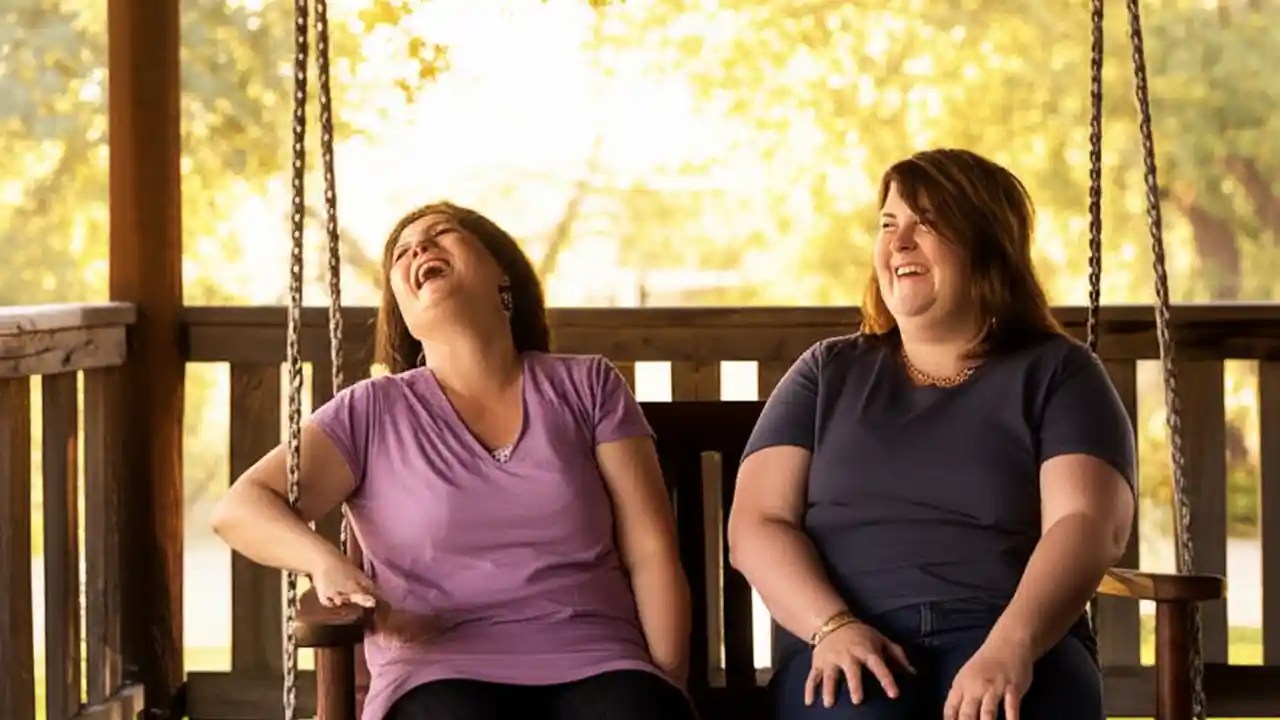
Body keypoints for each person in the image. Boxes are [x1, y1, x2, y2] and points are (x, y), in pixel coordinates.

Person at [211, 202, 696, 720]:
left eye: (441, 233)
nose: (419, 248)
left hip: (597, 659)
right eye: (402, 253)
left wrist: (668, 682)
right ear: (401, 309)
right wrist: (322, 561)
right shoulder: (371, 411)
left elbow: (651, 548)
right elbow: (240, 508)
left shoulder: (587, 386)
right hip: (436, 668)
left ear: (502, 274)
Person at [726, 149, 1135, 720]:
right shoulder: (827, 372)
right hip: (848, 637)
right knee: (857, 711)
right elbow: (757, 522)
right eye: (888, 224)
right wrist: (833, 627)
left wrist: (1011, 646)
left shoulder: (1059, 373)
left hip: (1010, 633)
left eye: (926, 223)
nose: (899, 242)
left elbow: (1087, 522)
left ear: (987, 243)